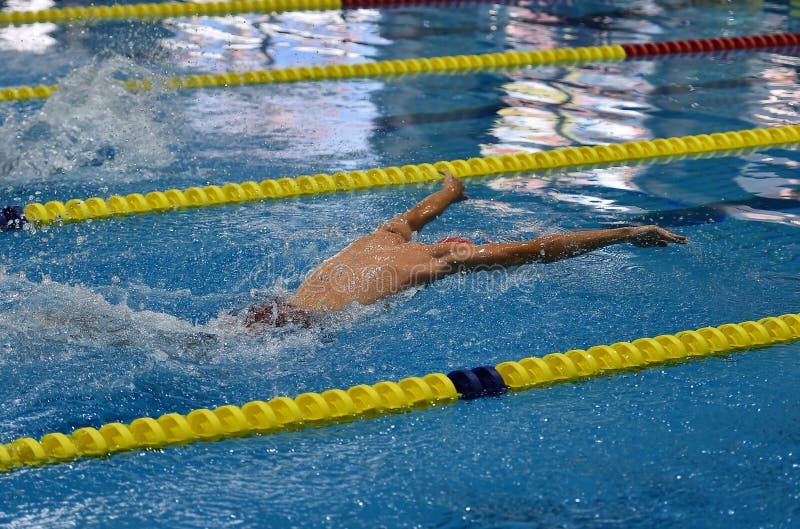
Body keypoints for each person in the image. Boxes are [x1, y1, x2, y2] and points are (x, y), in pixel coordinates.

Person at [243, 171, 687, 327]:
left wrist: (452, 190)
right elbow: (539, 248)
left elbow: (419, 213)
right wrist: (623, 232)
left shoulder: (385, 235)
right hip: (311, 324)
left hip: (280, 306)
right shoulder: (444, 259)